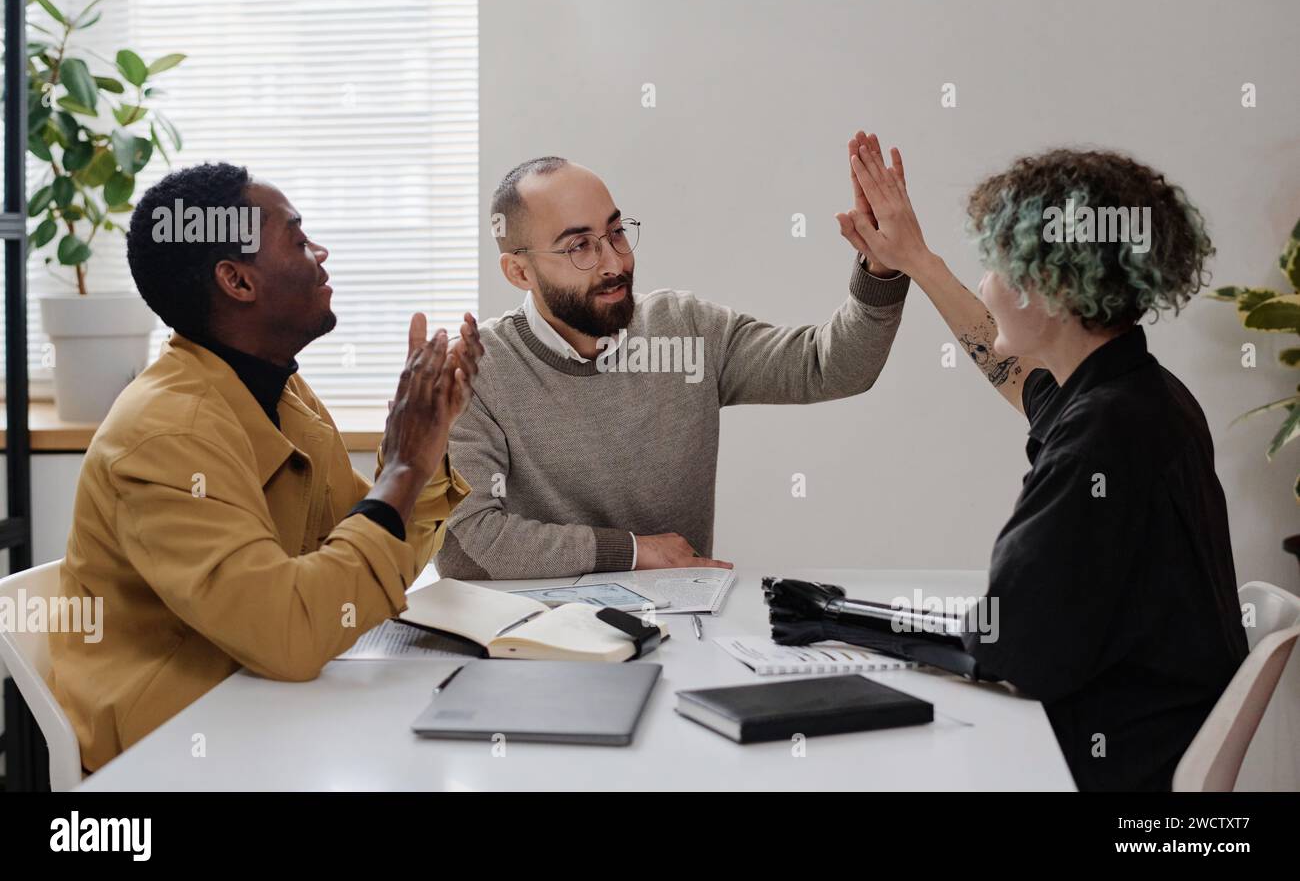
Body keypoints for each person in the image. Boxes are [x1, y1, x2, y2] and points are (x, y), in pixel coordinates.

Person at [838, 131, 1248, 791]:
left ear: (1052, 288)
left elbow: (1011, 653)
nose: (987, 282)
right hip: (1144, 737)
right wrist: (916, 261)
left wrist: (852, 631)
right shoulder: (1139, 393)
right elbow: (1018, 376)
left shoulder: (1101, 437)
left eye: (999, 265)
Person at [48, 162, 483, 771]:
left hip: (264, 705)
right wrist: (402, 469)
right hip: (171, 750)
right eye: (299, 241)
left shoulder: (281, 391)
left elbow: (367, 570)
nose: (320, 254)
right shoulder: (166, 431)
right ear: (237, 281)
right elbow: (290, 634)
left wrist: (423, 450)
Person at [436, 155, 911, 579]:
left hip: (680, 630)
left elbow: (829, 365)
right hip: (536, 642)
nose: (614, 263)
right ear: (519, 272)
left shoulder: (685, 330)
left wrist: (882, 268)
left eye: (616, 233)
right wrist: (632, 552)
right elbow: (466, 546)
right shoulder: (476, 371)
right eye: (579, 246)